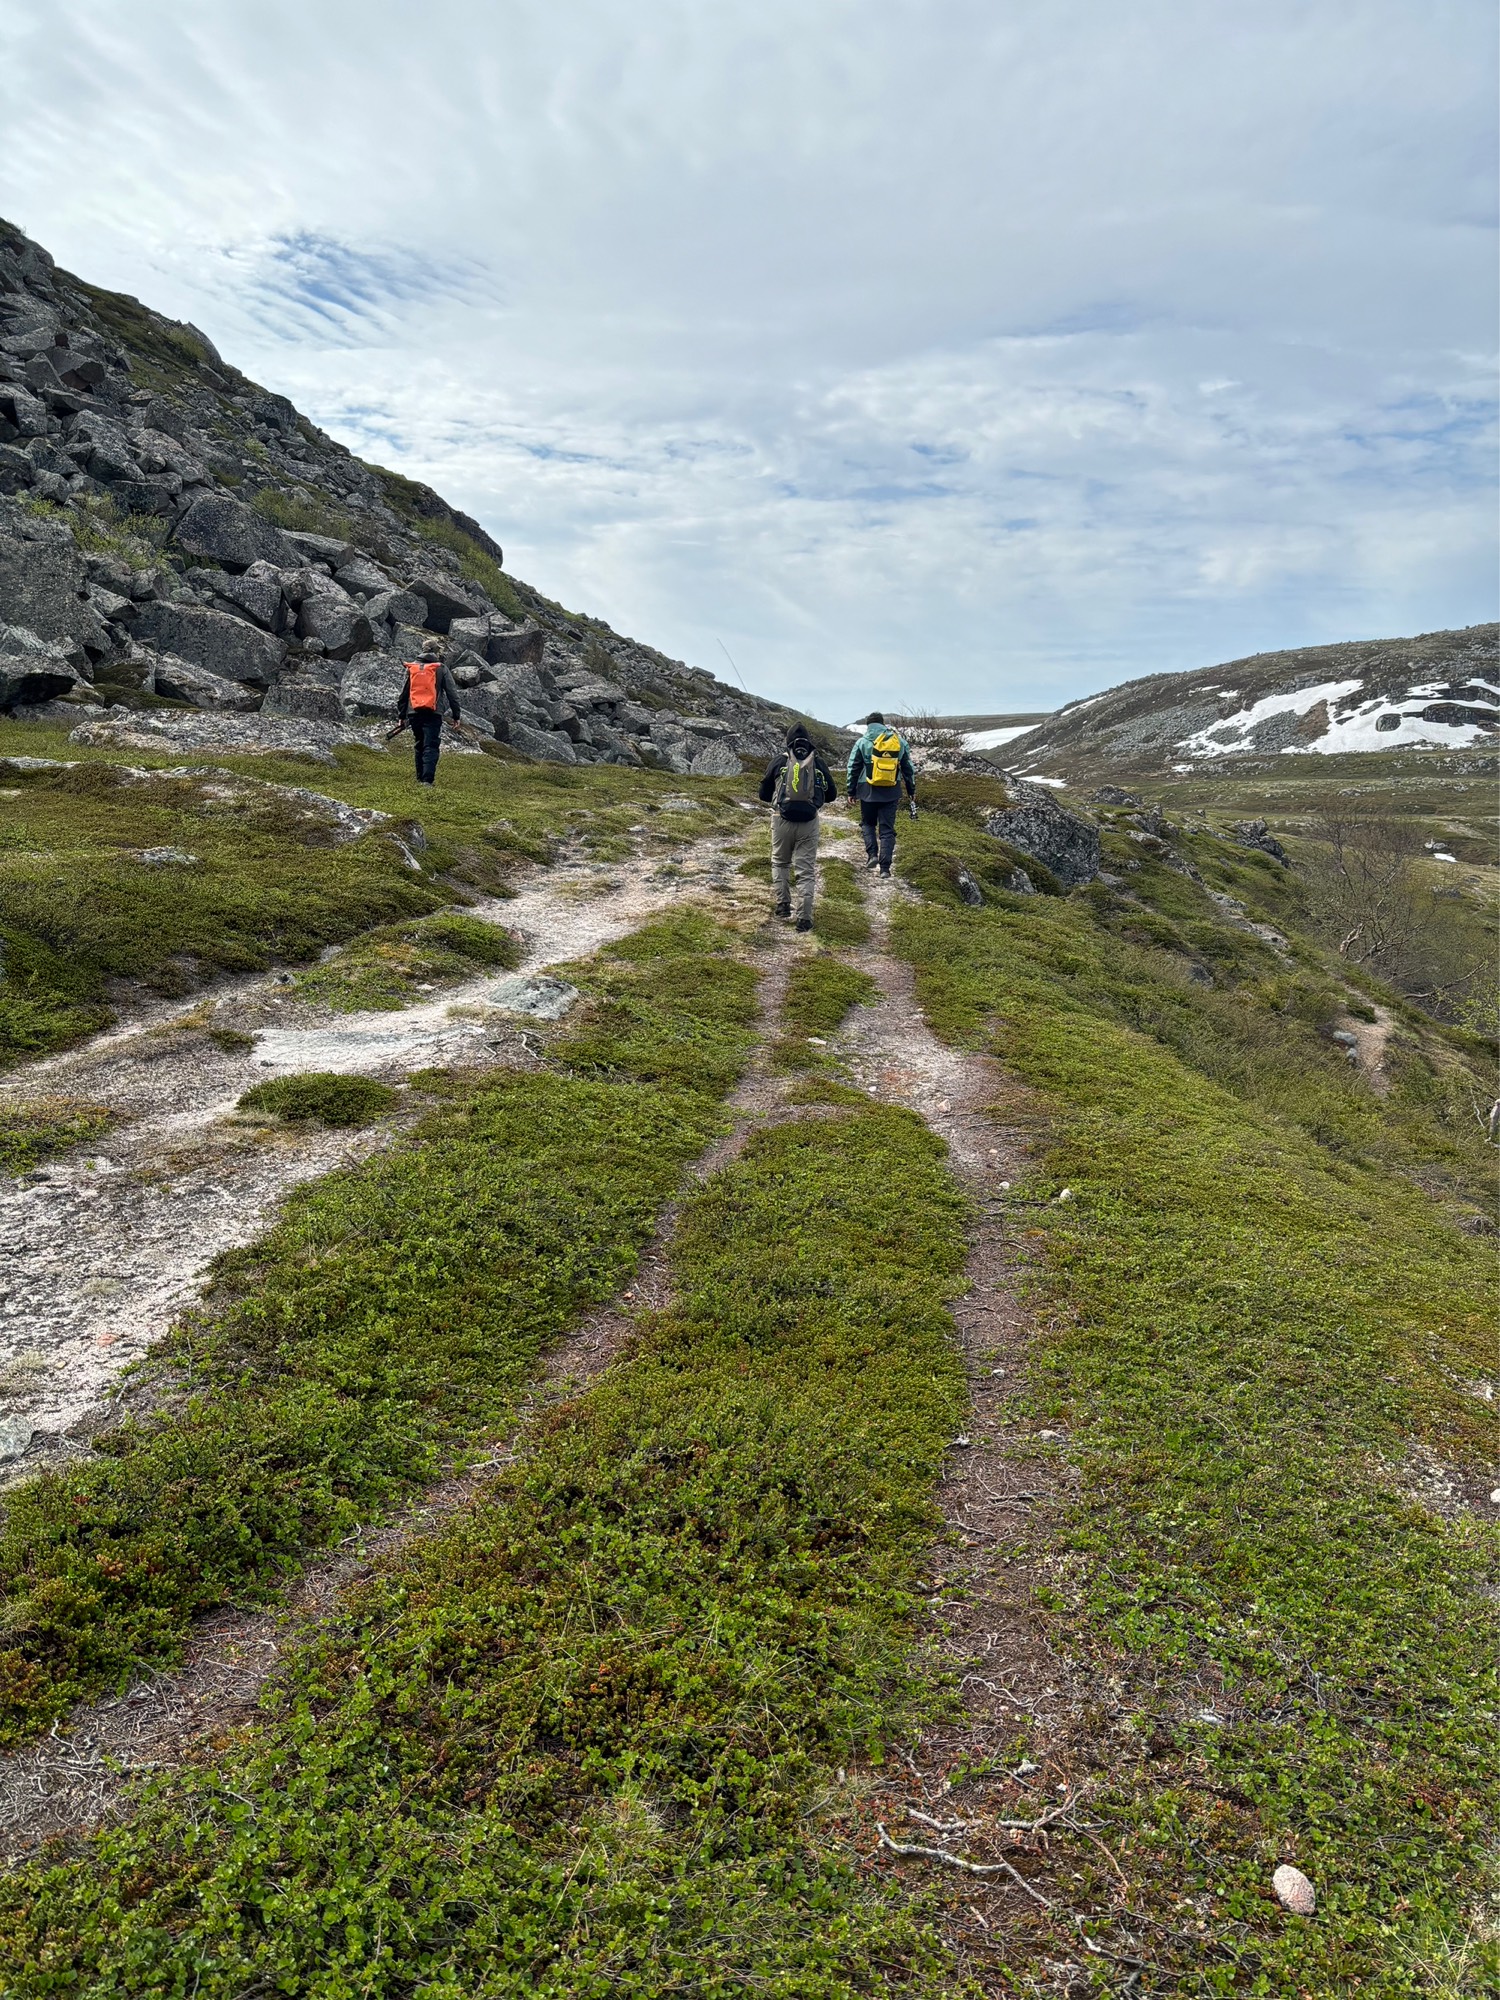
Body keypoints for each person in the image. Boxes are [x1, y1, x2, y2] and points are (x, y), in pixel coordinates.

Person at [758, 722, 839, 932]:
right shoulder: (817, 763)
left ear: (788, 741)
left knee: (780, 862)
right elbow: (832, 795)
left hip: (781, 819)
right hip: (809, 822)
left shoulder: (779, 761)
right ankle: (804, 918)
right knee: (806, 871)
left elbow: (763, 795)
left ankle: (783, 905)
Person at [846, 711, 917, 874]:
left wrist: (851, 791)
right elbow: (908, 768)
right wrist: (911, 790)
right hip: (891, 790)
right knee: (887, 829)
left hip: (867, 790)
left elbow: (853, 767)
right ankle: (885, 869)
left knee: (868, 823)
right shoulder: (898, 741)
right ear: (882, 724)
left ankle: (872, 855)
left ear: (868, 725)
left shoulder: (862, 742)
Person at [397, 638, 462, 786]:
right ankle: (427, 781)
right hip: (433, 712)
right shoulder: (441, 668)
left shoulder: (412, 667)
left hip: (414, 712)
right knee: (431, 745)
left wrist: (402, 715)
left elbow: (404, 694)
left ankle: (420, 778)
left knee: (419, 743)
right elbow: (453, 694)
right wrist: (456, 716)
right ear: (435, 651)